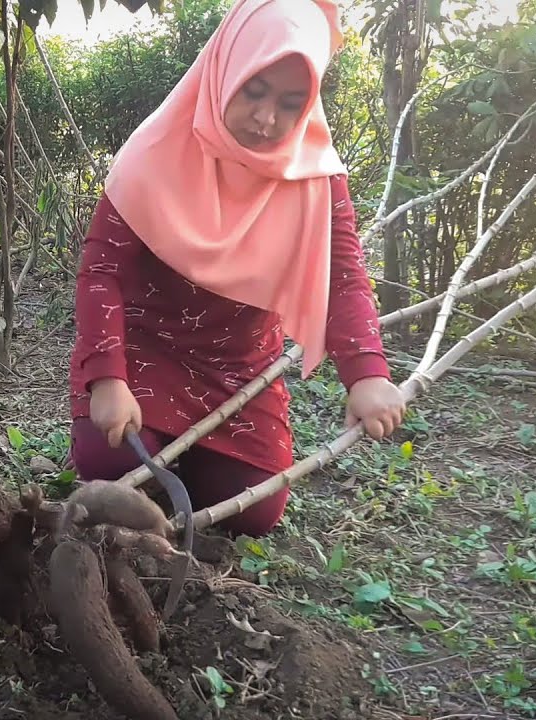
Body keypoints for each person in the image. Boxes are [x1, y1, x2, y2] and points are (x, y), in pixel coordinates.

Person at [67, 0, 405, 537]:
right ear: (227, 69)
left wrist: (367, 374)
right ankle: (146, 450)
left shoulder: (316, 179)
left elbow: (344, 276)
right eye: (254, 91)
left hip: (237, 370)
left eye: (290, 104)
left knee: (254, 511)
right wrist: (107, 378)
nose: (267, 119)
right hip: (145, 352)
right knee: (111, 461)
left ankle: (188, 464)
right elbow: (101, 271)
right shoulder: (155, 151)